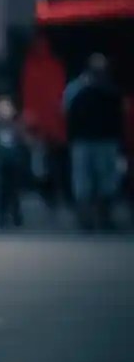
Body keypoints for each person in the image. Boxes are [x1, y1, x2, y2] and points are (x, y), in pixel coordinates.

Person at [64, 54, 125, 230]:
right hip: (90, 141)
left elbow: (69, 116)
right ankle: (91, 219)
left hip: (98, 141)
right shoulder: (106, 92)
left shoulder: (104, 91)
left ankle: (98, 218)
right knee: (91, 181)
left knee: (99, 181)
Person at [0, 96, 30, 228]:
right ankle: (2, 215)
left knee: (14, 191)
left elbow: (25, 142)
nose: (5, 112)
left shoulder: (17, 126)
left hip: (14, 163)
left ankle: (16, 214)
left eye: (7, 108)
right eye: (2, 109)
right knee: (1, 191)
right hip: (0, 163)